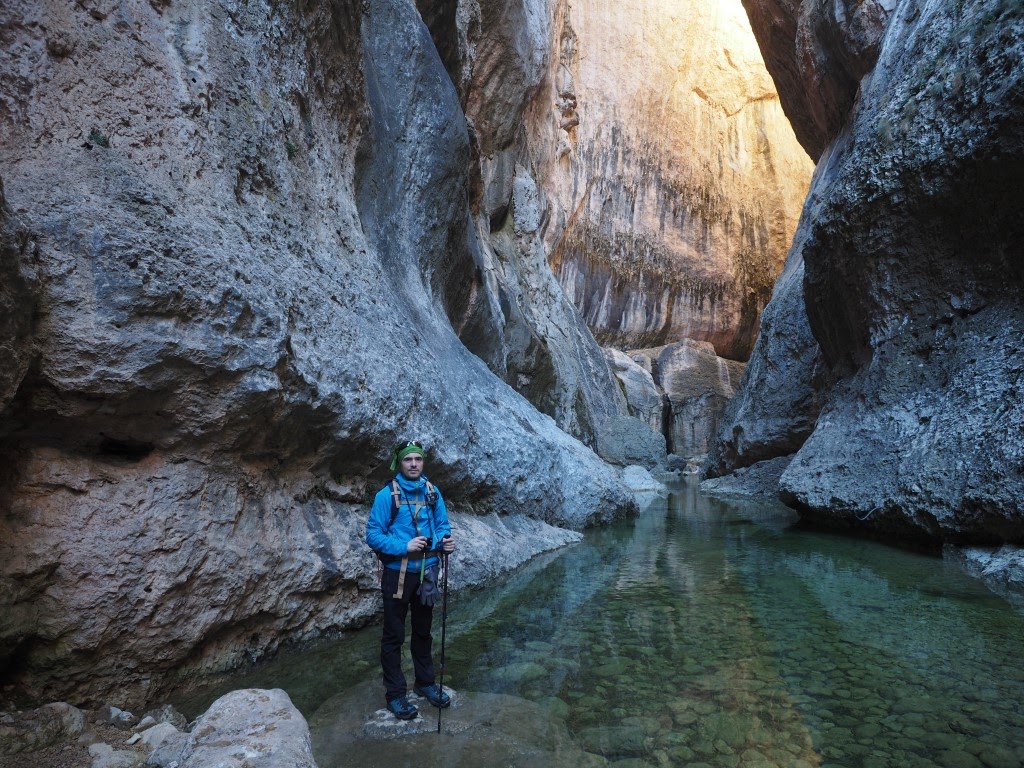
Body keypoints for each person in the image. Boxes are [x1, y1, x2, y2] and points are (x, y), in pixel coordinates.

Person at [366, 439, 457, 720]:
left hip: (428, 572)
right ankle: (395, 694)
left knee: (422, 631)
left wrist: (445, 541)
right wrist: (404, 546)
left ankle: (425, 683)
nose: (414, 464)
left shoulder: (432, 492)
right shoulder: (386, 496)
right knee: (393, 635)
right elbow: (373, 535)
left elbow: (442, 525)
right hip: (398, 574)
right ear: (399, 463)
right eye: (408, 460)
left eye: (418, 459)